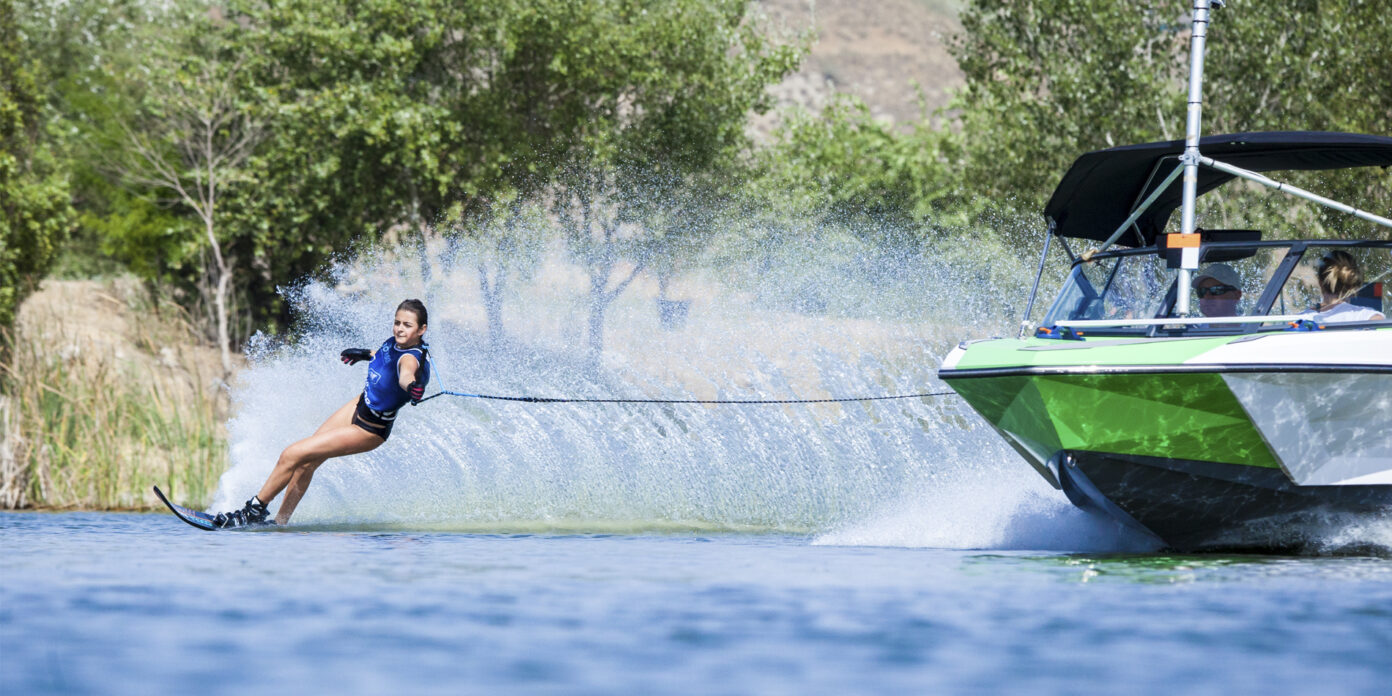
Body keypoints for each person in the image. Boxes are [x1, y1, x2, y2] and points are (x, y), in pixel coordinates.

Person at [213, 299, 432, 527]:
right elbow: (388, 355)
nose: (399, 328)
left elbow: (406, 374)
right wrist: (367, 354)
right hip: (359, 405)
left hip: (369, 428)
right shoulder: (399, 344)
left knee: (291, 455)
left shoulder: (410, 358)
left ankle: (252, 512)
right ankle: (280, 523)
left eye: (407, 325)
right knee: (307, 462)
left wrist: (412, 387)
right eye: (397, 322)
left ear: (421, 329)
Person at [1301, 251, 1386, 323]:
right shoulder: (1365, 316)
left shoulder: (1303, 319)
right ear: (1353, 286)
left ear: (1320, 283)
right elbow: (1379, 323)